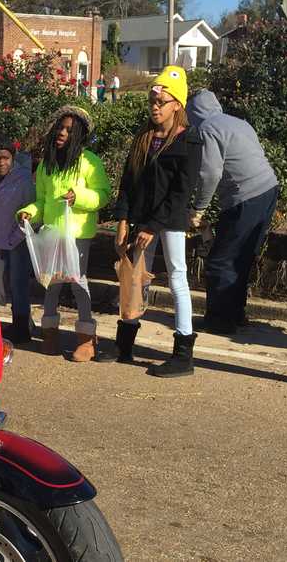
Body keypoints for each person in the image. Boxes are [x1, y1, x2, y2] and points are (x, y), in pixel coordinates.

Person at [111, 65, 202, 377]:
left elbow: (182, 190)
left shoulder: (190, 141)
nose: (154, 106)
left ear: (177, 104)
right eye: (152, 101)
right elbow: (129, 181)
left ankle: (183, 353)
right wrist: (123, 218)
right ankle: (124, 344)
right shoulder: (144, 137)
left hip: (169, 220)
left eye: (161, 102)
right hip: (140, 217)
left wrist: (154, 225)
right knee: (134, 277)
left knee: (177, 277)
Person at [18, 106, 112, 361]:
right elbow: (42, 201)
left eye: (69, 130)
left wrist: (78, 197)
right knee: (51, 284)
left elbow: (103, 195)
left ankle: (86, 339)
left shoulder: (89, 162)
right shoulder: (46, 165)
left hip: (78, 234)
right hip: (53, 234)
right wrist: (28, 212)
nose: (62, 133)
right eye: (60, 127)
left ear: (79, 135)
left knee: (78, 283)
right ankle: (49, 335)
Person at [186, 90, 279, 334]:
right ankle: (236, 314)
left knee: (221, 260)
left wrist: (198, 208)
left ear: (192, 112)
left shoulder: (207, 129)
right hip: (268, 189)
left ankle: (219, 322)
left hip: (245, 197)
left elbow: (210, 174)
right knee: (242, 257)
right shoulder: (238, 122)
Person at [0, 137, 37, 343]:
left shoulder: (23, 180)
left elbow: (31, 215)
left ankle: (21, 328)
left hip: (19, 240)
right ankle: (22, 320)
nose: (1, 163)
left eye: (6, 158)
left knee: (18, 282)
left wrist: (14, 239)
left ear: (13, 158)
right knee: (7, 282)